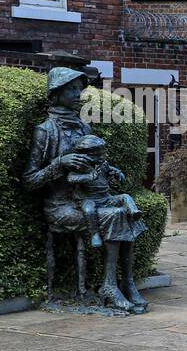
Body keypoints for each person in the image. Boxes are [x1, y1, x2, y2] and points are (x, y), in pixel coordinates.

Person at [24, 68, 149, 313]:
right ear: (55, 95)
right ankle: (110, 286)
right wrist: (59, 164)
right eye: (70, 89)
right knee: (115, 216)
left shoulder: (84, 129)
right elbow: (30, 180)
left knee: (124, 209)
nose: (78, 94)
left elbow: (98, 164)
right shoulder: (45, 131)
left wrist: (108, 170)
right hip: (61, 206)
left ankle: (126, 282)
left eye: (78, 89)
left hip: (91, 199)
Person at [65, 135, 141, 249]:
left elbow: (111, 169)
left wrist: (118, 173)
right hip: (89, 199)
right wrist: (89, 176)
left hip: (106, 198)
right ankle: (94, 234)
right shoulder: (79, 167)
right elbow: (71, 178)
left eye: (102, 154)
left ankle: (134, 211)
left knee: (125, 196)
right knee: (89, 211)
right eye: (97, 155)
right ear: (84, 155)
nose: (101, 157)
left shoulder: (103, 164)